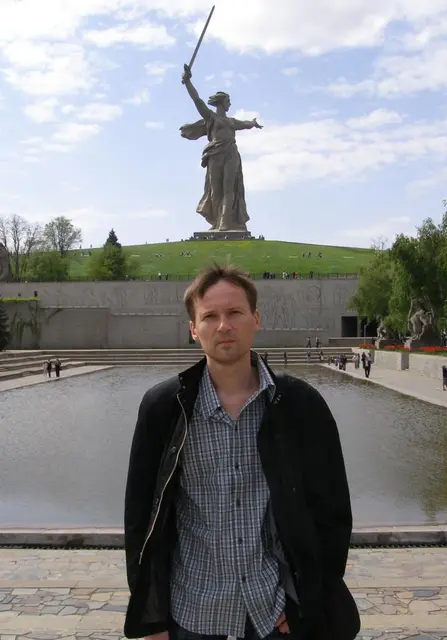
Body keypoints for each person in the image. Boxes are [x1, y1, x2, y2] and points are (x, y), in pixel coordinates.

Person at [124, 264, 359, 640]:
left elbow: (332, 513)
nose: (223, 326)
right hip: (192, 613)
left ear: (256, 319)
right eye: (210, 316)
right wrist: (151, 620)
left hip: (273, 613)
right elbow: (140, 518)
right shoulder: (164, 408)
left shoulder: (300, 405)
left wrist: (308, 600)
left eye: (234, 312)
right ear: (193, 329)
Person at [180, 65, 263, 231]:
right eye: (228, 101)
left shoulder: (231, 121)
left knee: (229, 188)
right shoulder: (210, 117)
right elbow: (197, 100)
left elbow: (245, 124)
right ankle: (217, 221)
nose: (230, 103)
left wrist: (253, 123)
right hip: (214, 154)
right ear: (221, 102)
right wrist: (188, 82)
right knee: (215, 190)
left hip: (230, 153)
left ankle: (226, 221)